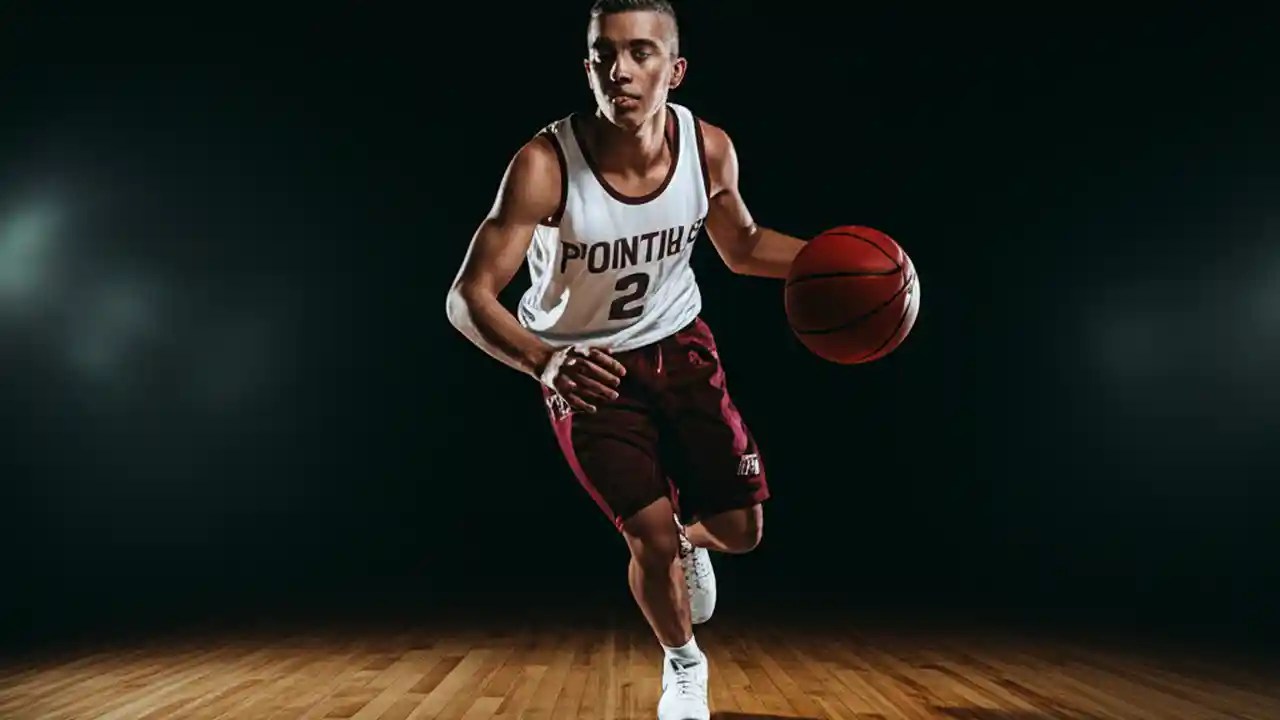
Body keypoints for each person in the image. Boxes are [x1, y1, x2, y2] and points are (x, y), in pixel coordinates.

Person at [445, 1, 807, 717]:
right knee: (647, 538)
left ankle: (687, 541)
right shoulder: (545, 165)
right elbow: (467, 297)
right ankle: (685, 666)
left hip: (680, 345)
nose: (620, 70)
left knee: (743, 531)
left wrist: (848, 264)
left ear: (675, 70)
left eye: (640, 52)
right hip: (586, 368)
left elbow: (742, 246)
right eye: (604, 54)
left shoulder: (707, 148)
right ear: (588, 68)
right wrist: (544, 362)